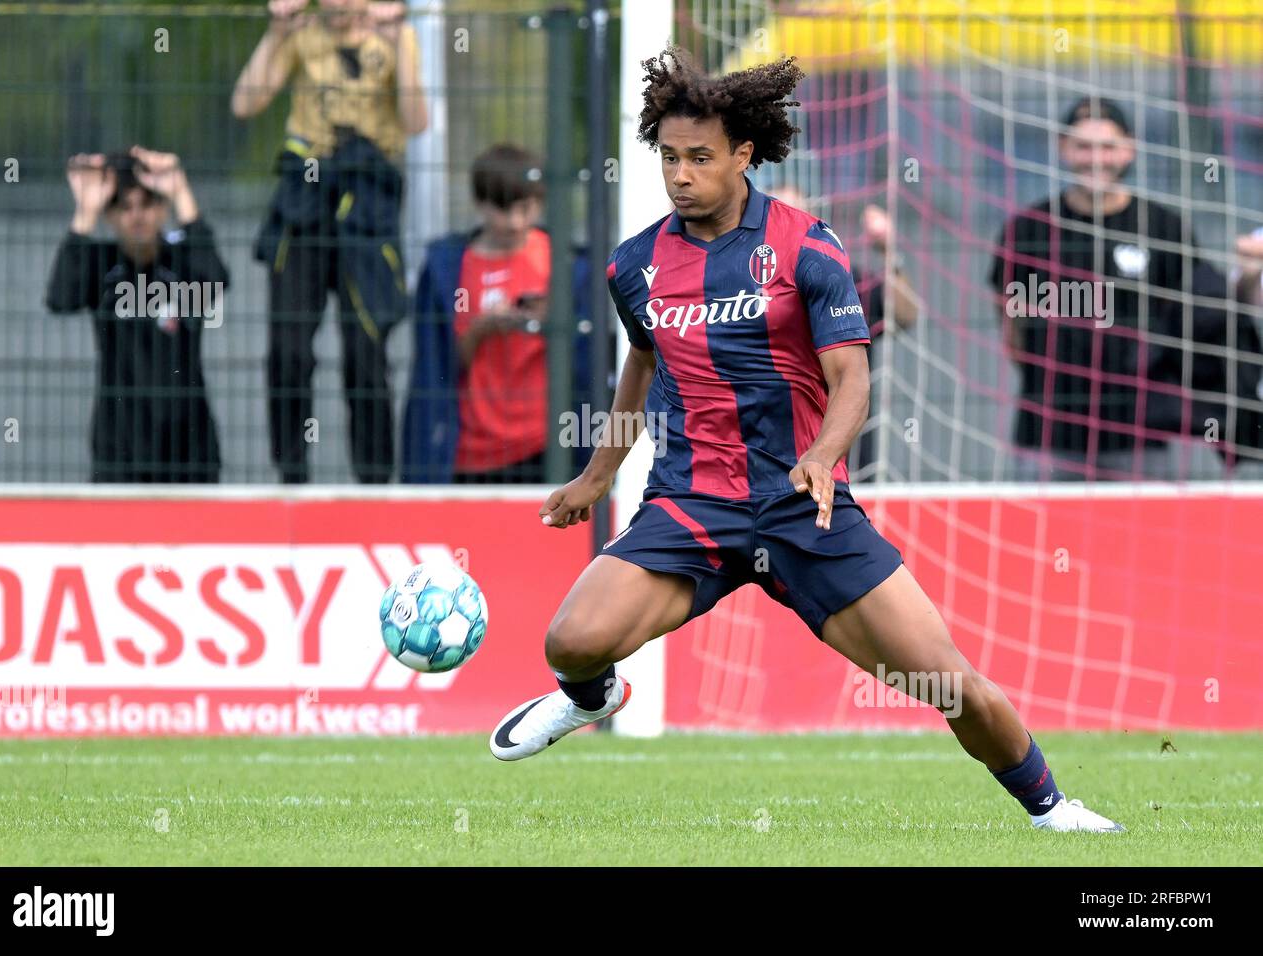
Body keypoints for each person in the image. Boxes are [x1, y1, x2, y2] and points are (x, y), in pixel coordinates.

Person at [488, 47, 1123, 833]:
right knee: (572, 641)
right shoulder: (636, 267)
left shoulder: (806, 246)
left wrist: (821, 455)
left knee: (950, 685)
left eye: (700, 158)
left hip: (802, 507)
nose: (680, 175)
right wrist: (596, 476)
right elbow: (643, 361)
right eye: (668, 158)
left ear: (744, 155)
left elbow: (852, 378)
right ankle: (595, 699)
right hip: (693, 504)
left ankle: (1052, 809)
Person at [989, 96, 1263, 481]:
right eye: (1083, 146)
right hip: (1047, 435)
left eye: (1108, 146)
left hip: (1138, 438)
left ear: (1129, 149)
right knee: (1040, 541)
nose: (1095, 158)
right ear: (1063, 149)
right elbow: (1012, 335)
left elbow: (1213, 317)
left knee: (1143, 541)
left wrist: (1250, 271)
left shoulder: (1162, 227)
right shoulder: (1027, 231)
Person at [231, 0, 429, 483]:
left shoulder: (395, 35)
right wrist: (277, 32)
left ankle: (375, 481)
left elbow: (416, 121)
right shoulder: (303, 31)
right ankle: (291, 474)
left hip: (367, 196)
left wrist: (397, 41)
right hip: (307, 192)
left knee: (366, 347)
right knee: (289, 345)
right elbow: (245, 103)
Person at [401, 144, 593, 483]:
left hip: (546, 447)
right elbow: (436, 368)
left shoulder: (565, 262)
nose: (516, 222)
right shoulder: (448, 269)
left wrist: (554, 323)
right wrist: (481, 330)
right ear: (479, 204)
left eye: (527, 208)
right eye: (503, 210)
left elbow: (590, 358)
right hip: (472, 453)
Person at [45, 148, 227, 483]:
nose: (137, 216)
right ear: (110, 216)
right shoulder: (101, 264)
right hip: (119, 445)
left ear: (162, 209)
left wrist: (180, 190)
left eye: (146, 205)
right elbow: (60, 298)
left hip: (189, 445)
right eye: (125, 208)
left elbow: (217, 280)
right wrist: (86, 211)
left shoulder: (184, 262)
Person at [767, 188, 922, 480]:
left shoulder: (845, 279)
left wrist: (889, 251)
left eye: (794, 215)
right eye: (778, 216)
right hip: (770, 452)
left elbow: (906, 314)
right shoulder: (746, 288)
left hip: (848, 454)